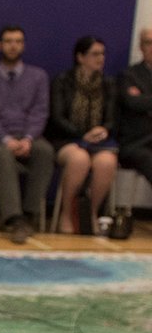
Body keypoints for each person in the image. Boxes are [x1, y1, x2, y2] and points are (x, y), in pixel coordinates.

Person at [0, 25, 55, 243]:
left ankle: (30, 214)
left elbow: (40, 111)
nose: (13, 46)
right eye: (8, 41)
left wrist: (28, 138)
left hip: (30, 136)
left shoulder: (38, 77)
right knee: (2, 155)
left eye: (18, 41)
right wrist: (7, 140)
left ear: (24, 45)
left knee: (45, 151)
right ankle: (13, 218)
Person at [48, 35, 120, 234]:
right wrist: (82, 134)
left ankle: (91, 213)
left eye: (103, 54)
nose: (100, 58)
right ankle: (66, 213)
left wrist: (104, 129)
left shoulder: (109, 84)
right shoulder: (63, 81)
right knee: (79, 160)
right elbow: (57, 117)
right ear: (80, 57)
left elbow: (112, 117)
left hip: (99, 141)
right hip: (67, 139)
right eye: (95, 54)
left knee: (107, 162)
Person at [118, 25, 152, 200]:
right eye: (149, 43)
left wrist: (145, 99)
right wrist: (142, 102)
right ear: (141, 47)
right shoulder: (129, 75)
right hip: (136, 144)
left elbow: (142, 102)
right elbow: (133, 103)